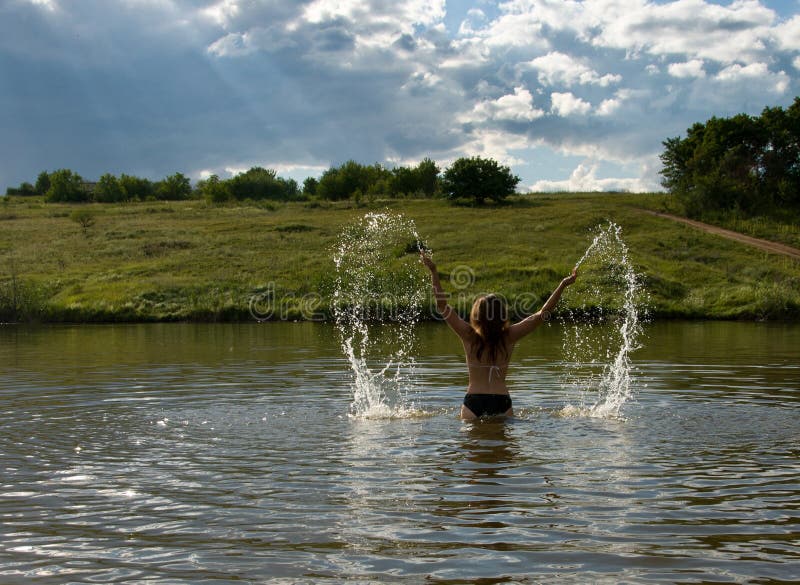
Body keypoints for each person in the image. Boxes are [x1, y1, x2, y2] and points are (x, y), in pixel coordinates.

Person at [420, 251, 577, 420]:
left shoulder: (469, 335)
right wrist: (562, 285)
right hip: (502, 401)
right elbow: (542, 314)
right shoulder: (509, 336)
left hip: (474, 401)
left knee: (472, 436)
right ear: (502, 315)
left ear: (477, 315)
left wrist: (434, 271)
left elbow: (442, 306)